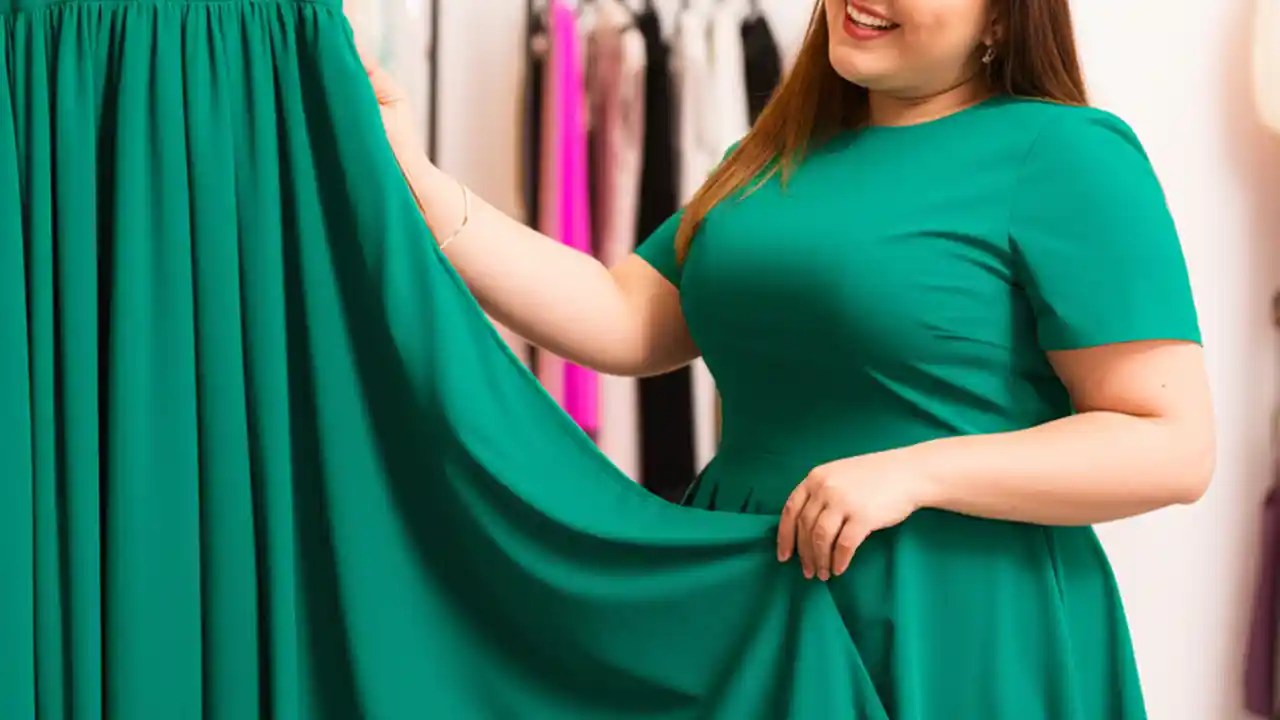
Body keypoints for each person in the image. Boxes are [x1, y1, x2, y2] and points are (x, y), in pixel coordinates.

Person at [369, 0, 1214, 715]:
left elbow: (1171, 444)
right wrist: (415, 177)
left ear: (1003, 15)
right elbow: (625, 318)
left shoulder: (1065, 152)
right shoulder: (766, 157)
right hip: (746, 588)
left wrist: (913, 472)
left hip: (951, 615)